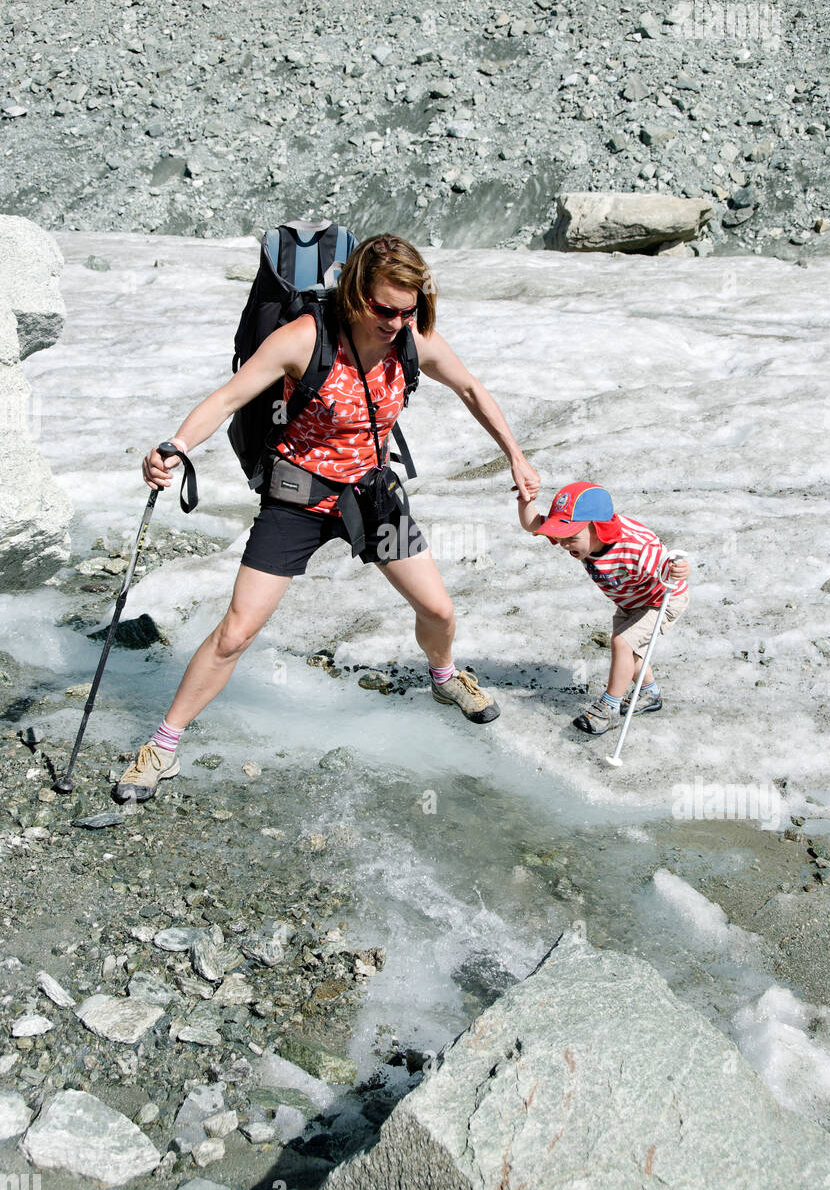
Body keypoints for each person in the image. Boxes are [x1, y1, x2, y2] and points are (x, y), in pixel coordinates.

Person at [113, 234, 540, 802]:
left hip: (372, 496)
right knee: (237, 631)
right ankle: (163, 746)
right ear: (357, 293)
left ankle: (443, 677)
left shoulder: (412, 338)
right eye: (385, 309)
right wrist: (175, 446)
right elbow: (226, 399)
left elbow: (469, 388)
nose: (395, 322)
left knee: (437, 609)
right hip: (298, 501)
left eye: (407, 309)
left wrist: (515, 452)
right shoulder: (306, 339)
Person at [517, 481, 690, 735]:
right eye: (561, 537)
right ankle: (650, 693)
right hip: (629, 601)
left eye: (571, 538)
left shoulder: (638, 547)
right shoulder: (579, 535)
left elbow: (671, 567)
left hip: (661, 600)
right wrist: (525, 502)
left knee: (622, 643)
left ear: (599, 528)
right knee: (629, 655)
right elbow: (533, 524)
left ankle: (608, 708)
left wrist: (679, 569)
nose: (564, 545)